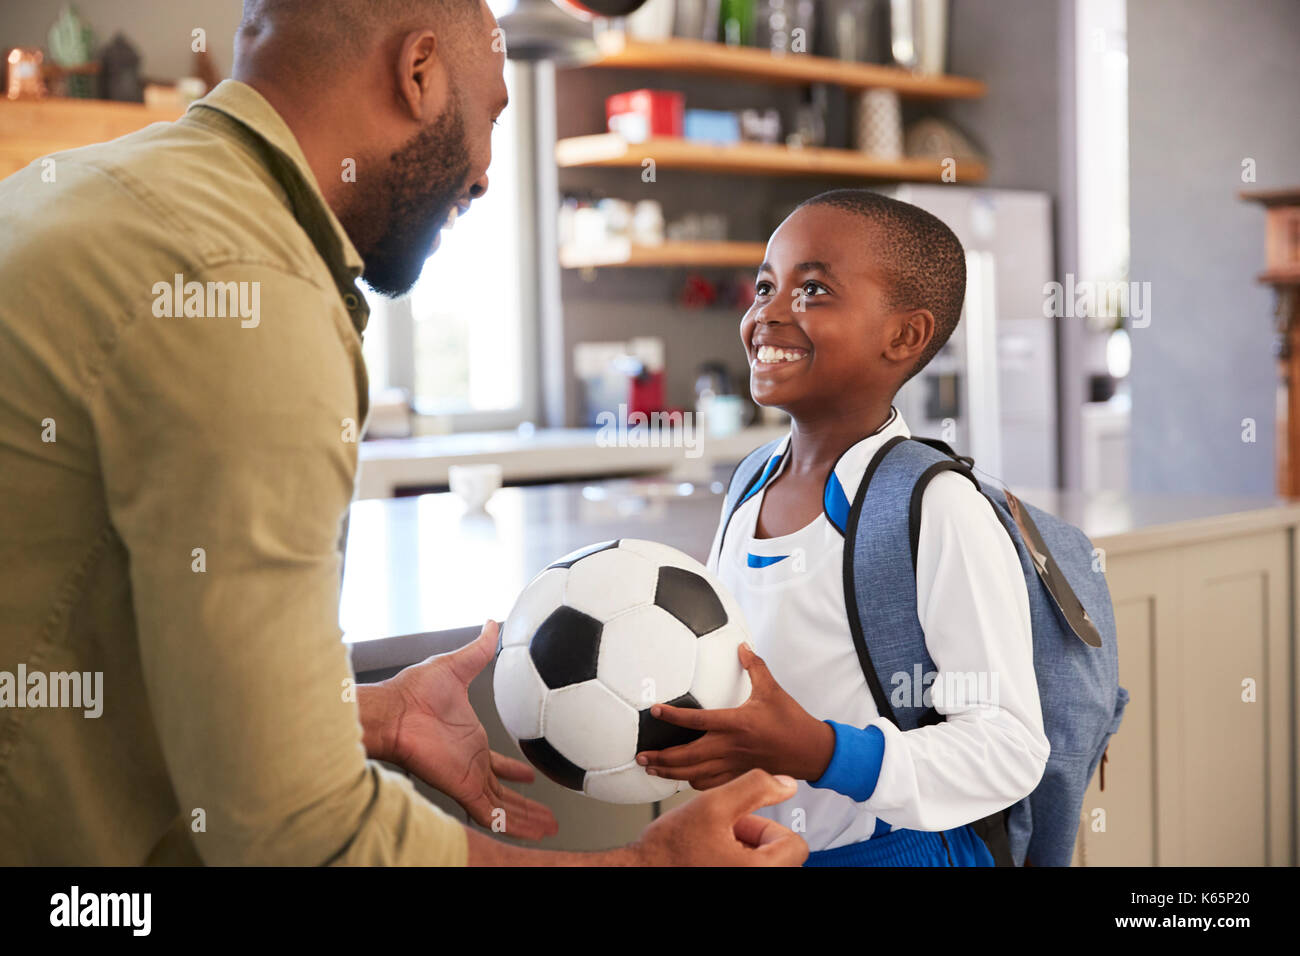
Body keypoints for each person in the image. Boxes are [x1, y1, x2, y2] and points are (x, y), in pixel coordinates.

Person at [0, 0, 806, 866]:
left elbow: (82, 643)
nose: (488, 172)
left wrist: (354, 711)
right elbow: (298, 835)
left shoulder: (86, 191)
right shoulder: (244, 294)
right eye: (491, 114)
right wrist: (645, 865)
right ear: (418, 72)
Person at [636, 190, 1050, 866]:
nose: (767, 312)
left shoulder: (934, 507)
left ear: (905, 336)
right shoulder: (748, 484)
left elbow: (1009, 747)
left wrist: (820, 752)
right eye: (766, 285)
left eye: (814, 289)